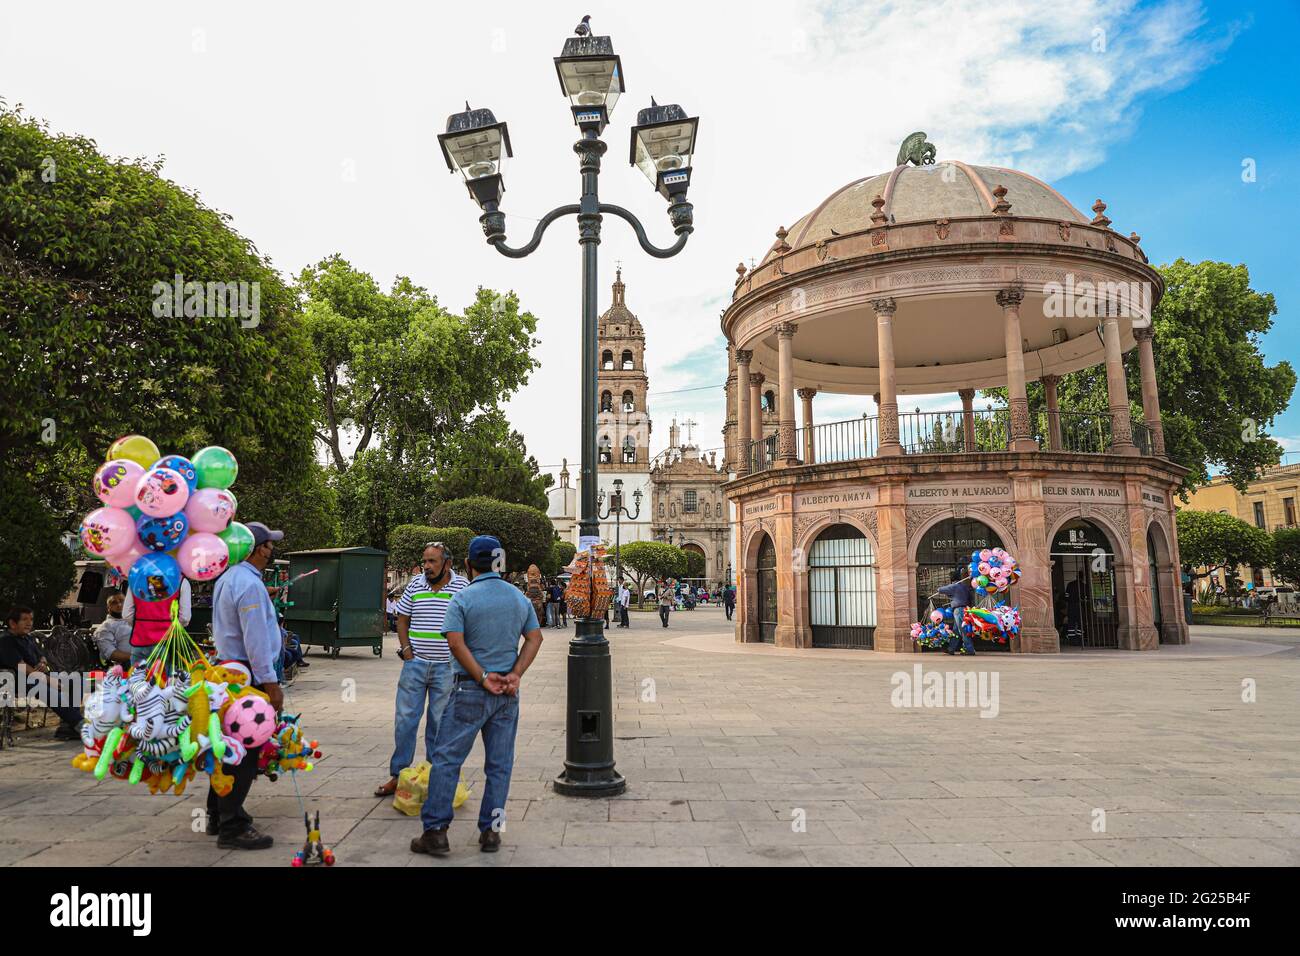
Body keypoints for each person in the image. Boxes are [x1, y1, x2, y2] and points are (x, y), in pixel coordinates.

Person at [411, 535, 544, 857]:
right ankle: (491, 831)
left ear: (468, 564)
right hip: (507, 693)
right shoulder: (518, 598)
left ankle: (436, 832)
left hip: (469, 689)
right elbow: (535, 638)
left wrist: (483, 677)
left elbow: (455, 643)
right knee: (500, 764)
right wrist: (515, 674)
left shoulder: (462, 598)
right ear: (501, 563)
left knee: (446, 759)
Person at [206, 521, 285, 850]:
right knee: (245, 750)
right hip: (247, 675)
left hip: (230, 672)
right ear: (256, 549)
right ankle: (232, 827)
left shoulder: (230, 578)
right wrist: (271, 683)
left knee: (228, 747)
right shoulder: (248, 584)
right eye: (268, 545)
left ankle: (218, 812)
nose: (271, 550)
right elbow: (255, 640)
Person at [374, 542, 467, 799]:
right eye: (424, 561)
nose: (426, 566)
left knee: (439, 724)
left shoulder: (462, 587)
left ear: (447, 563)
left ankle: (435, 777)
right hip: (415, 666)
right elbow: (402, 618)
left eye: (432, 561)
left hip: (446, 668)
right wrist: (406, 650)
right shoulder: (415, 585)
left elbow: (470, 623)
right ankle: (398, 775)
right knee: (405, 721)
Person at [0, 605, 84, 740]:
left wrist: (43, 663)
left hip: (35, 677)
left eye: (31, 619)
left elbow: (41, 655)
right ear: (12, 623)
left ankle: (68, 727)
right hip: (15, 681)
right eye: (24, 619)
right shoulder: (6, 640)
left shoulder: (27, 638)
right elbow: (22, 667)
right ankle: (81, 726)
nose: (29, 623)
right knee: (48, 690)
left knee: (75, 681)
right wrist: (50, 680)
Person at [123, 576, 192, 667]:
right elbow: (185, 618)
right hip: (167, 643)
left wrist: (142, 625)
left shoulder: (136, 580)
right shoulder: (181, 581)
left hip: (140, 641)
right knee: (164, 675)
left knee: (137, 675)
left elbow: (126, 614)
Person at [937, 568, 976, 656]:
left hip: (959, 610)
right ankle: (951, 648)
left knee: (962, 630)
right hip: (965, 609)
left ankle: (970, 649)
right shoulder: (964, 586)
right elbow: (970, 598)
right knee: (956, 631)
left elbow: (940, 589)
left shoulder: (954, 586)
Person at [93, 593, 133, 667]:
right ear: (108, 608)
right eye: (114, 603)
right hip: (127, 665)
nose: (119, 605)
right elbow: (111, 653)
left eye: (121, 601)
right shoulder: (105, 628)